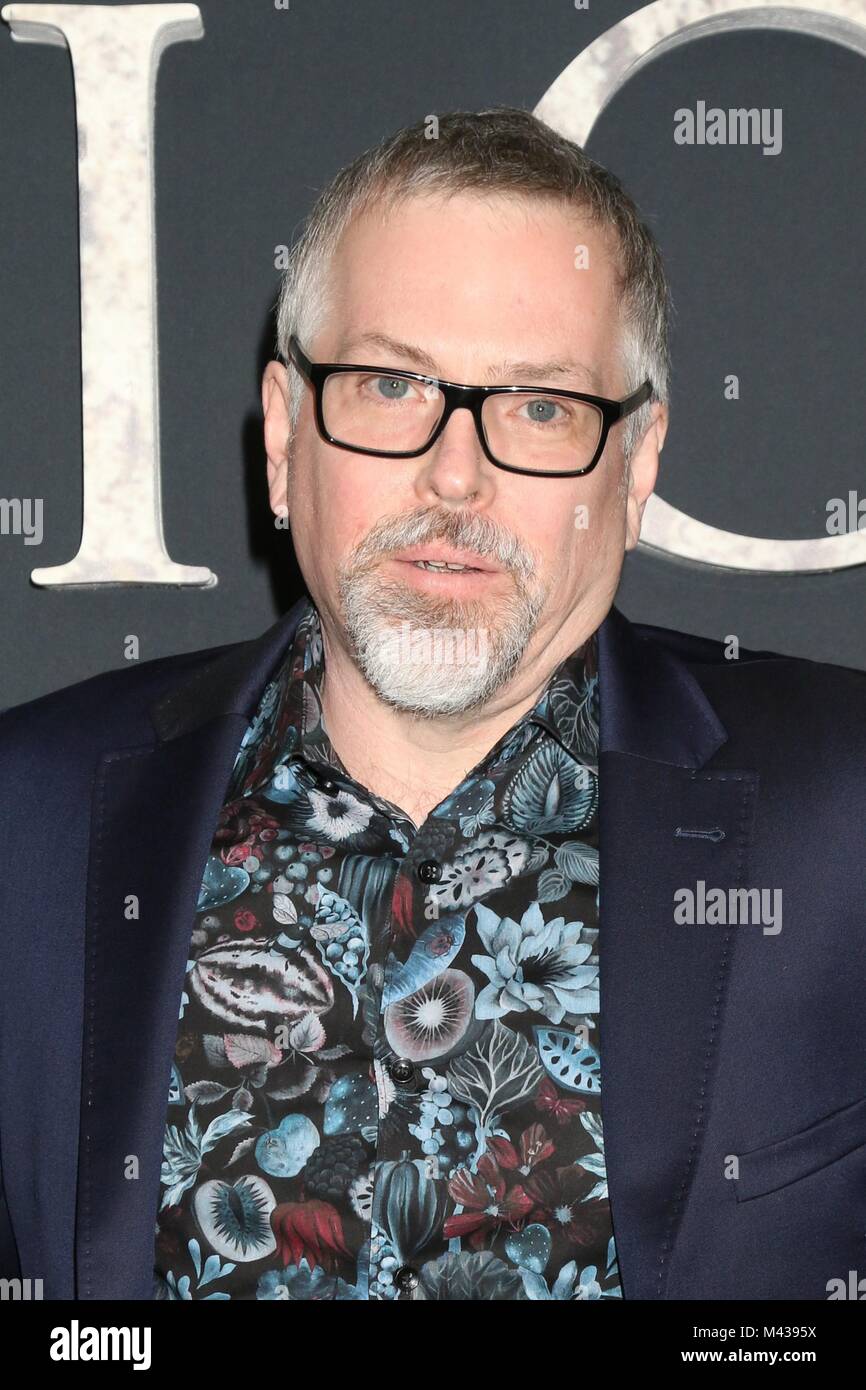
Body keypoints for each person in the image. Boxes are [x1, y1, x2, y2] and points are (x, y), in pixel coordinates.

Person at [1, 107, 864, 1302]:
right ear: (283, 436)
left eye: (539, 407)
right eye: (390, 382)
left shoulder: (842, 815)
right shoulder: (27, 826)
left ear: (638, 463)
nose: (453, 474)